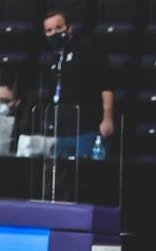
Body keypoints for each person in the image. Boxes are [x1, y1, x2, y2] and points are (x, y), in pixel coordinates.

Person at [35, 13, 116, 161]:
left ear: (69, 28)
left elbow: (107, 85)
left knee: (86, 177)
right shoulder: (53, 59)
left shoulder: (88, 49)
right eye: (49, 30)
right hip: (61, 133)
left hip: (87, 129)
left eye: (59, 28)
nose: (54, 33)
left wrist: (107, 118)